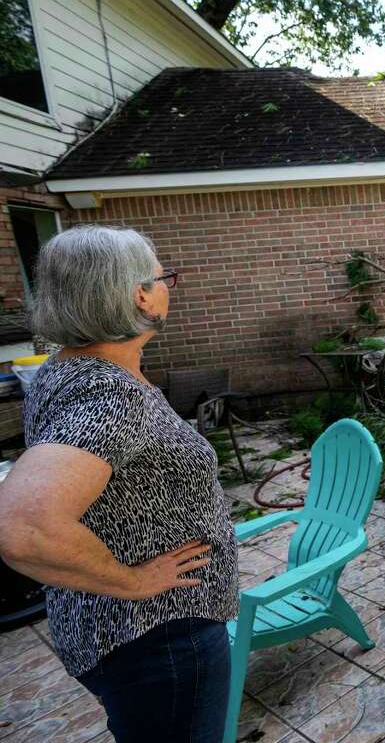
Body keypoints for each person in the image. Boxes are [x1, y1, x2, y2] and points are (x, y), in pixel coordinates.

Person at [0, 226, 237, 743]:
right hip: (161, 637)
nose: (167, 287)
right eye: (162, 277)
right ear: (139, 295)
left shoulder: (65, 371)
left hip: (119, 631)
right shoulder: (112, 398)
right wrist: (135, 581)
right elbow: (22, 527)